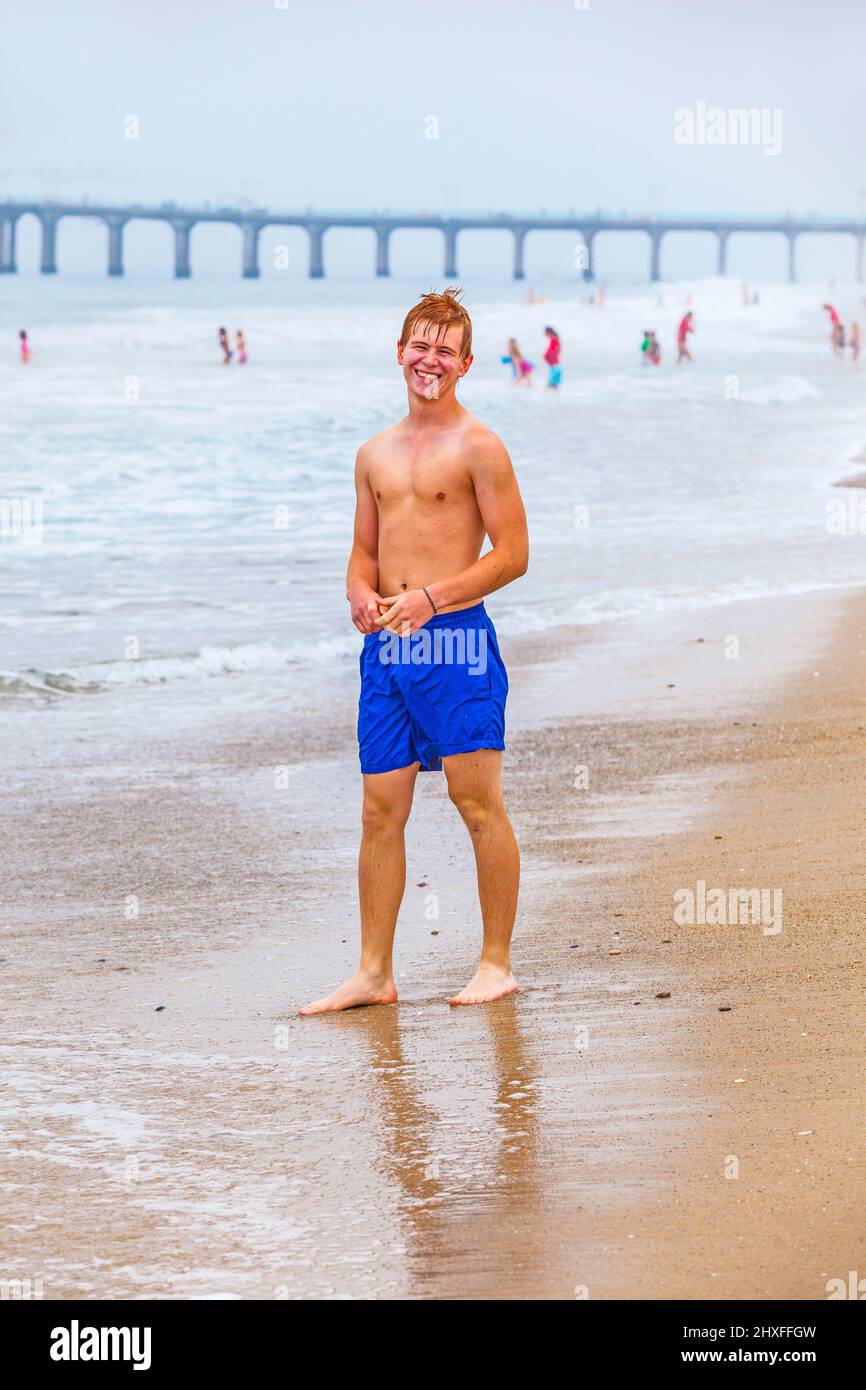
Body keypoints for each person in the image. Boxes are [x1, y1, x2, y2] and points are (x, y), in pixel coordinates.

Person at [300, 288, 528, 1015]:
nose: (429, 359)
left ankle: (495, 963)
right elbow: (361, 551)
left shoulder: (480, 446)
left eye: (444, 348)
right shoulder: (373, 454)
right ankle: (374, 972)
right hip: (386, 652)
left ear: (465, 363)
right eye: (419, 345)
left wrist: (435, 598)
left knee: (476, 802)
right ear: (401, 353)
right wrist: (358, 594)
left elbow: (514, 556)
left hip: (456, 642)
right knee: (378, 810)